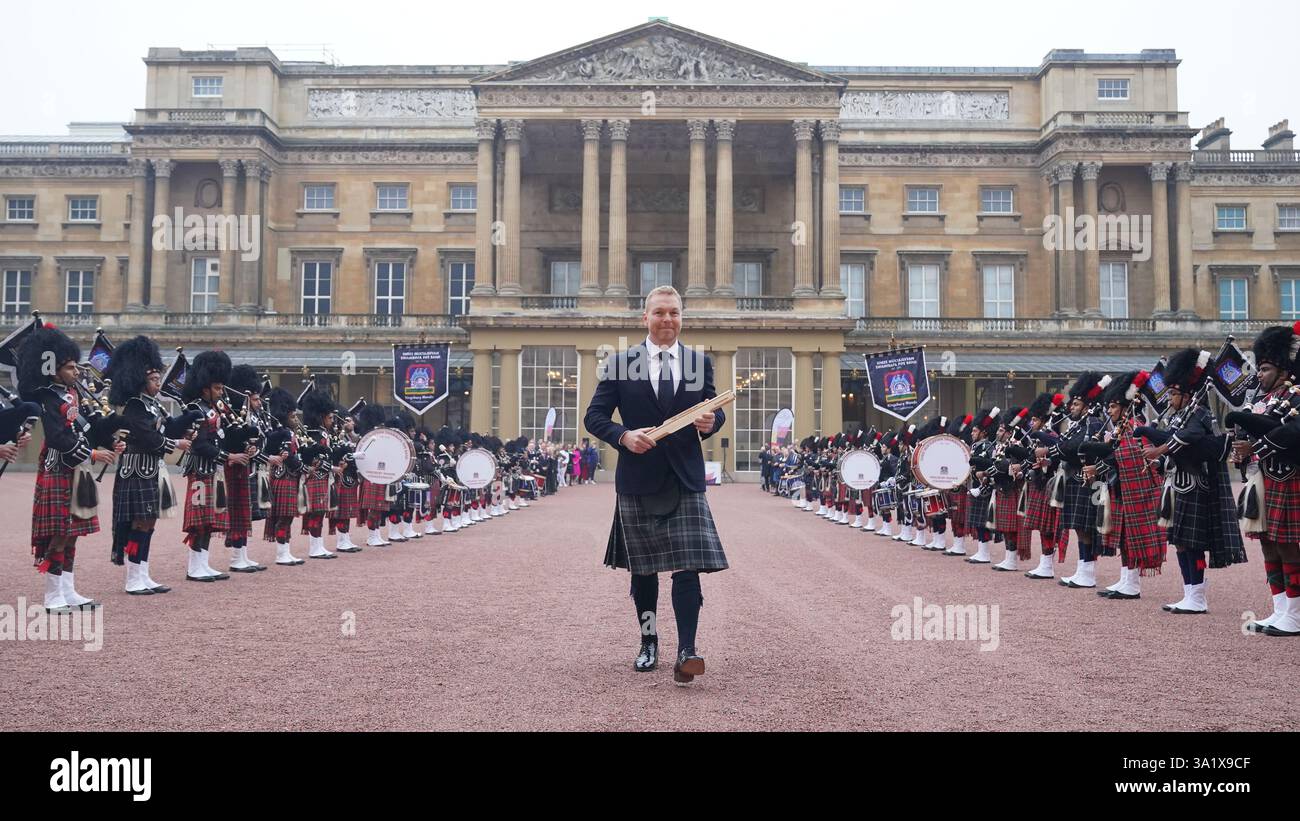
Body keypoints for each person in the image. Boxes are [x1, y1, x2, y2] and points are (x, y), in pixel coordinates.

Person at [584, 285, 728, 685]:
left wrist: (710, 423)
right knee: (643, 572)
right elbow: (594, 418)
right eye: (660, 313)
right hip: (639, 474)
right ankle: (649, 641)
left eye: (675, 313)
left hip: (683, 474)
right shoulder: (620, 363)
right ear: (645, 318)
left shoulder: (700, 363)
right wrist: (623, 436)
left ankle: (688, 650)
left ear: (682, 317)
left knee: (688, 566)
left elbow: (715, 411)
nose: (668, 320)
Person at [1135, 348, 1247, 613]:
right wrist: (1159, 462)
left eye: (1174, 393)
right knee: (1179, 541)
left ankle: (1197, 596)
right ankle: (1189, 593)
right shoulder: (1178, 416)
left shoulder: (1199, 414)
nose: (1170, 397)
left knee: (1192, 543)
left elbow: (1191, 437)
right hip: (1177, 484)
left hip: (1195, 485)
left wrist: (1159, 449)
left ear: (1186, 394)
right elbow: (1177, 448)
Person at [20, 324, 120, 612]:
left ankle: (67, 589)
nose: (77, 372)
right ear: (54, 370)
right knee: (59, 532)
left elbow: (89, 428)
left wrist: (112, 436)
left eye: (76, 367)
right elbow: (57, 437)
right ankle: (53, 596)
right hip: (59, 467)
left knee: (72, 531)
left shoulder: (73, 395)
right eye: (71, 368)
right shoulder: (48, 398)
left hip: (75, 469)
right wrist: (92, 452)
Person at [106, 335, 197, 594]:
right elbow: (149, 437)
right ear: (141, 380)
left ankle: (143, 573)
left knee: (149, 522)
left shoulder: (153, 405)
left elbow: (169, 427)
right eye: (155, 380)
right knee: (138, 522)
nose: (158, 384)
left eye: (158, 379)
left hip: (151, 468)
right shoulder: (135, 405)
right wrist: (176, 443)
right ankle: (133, 577)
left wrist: (188, 419)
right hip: (137, 467)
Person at [1228, 323, 1300, 635]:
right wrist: (1242, 452)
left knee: (1286, 544)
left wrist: (1253, 441)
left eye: (1266, 368)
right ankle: (1280, 609)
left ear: (1283, 368)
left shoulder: (1295, 394)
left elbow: (1290, 433)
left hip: (1288, 476)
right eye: (1259, 368)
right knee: (1268, 543)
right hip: (1266, 477)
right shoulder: (1267, 396)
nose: (1260, 374)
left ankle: (1296, 614)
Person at [180, 351, 236, 582]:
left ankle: (203, 563)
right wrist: (225, 455)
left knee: (209, 520)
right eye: (217, 388)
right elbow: (200, 443)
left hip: (212, 469)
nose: (221, 392)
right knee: (199, 521)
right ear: (205, 388)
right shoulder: (196, 409)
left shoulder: (214, 408)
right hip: (200, 469)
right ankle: (194, 566)